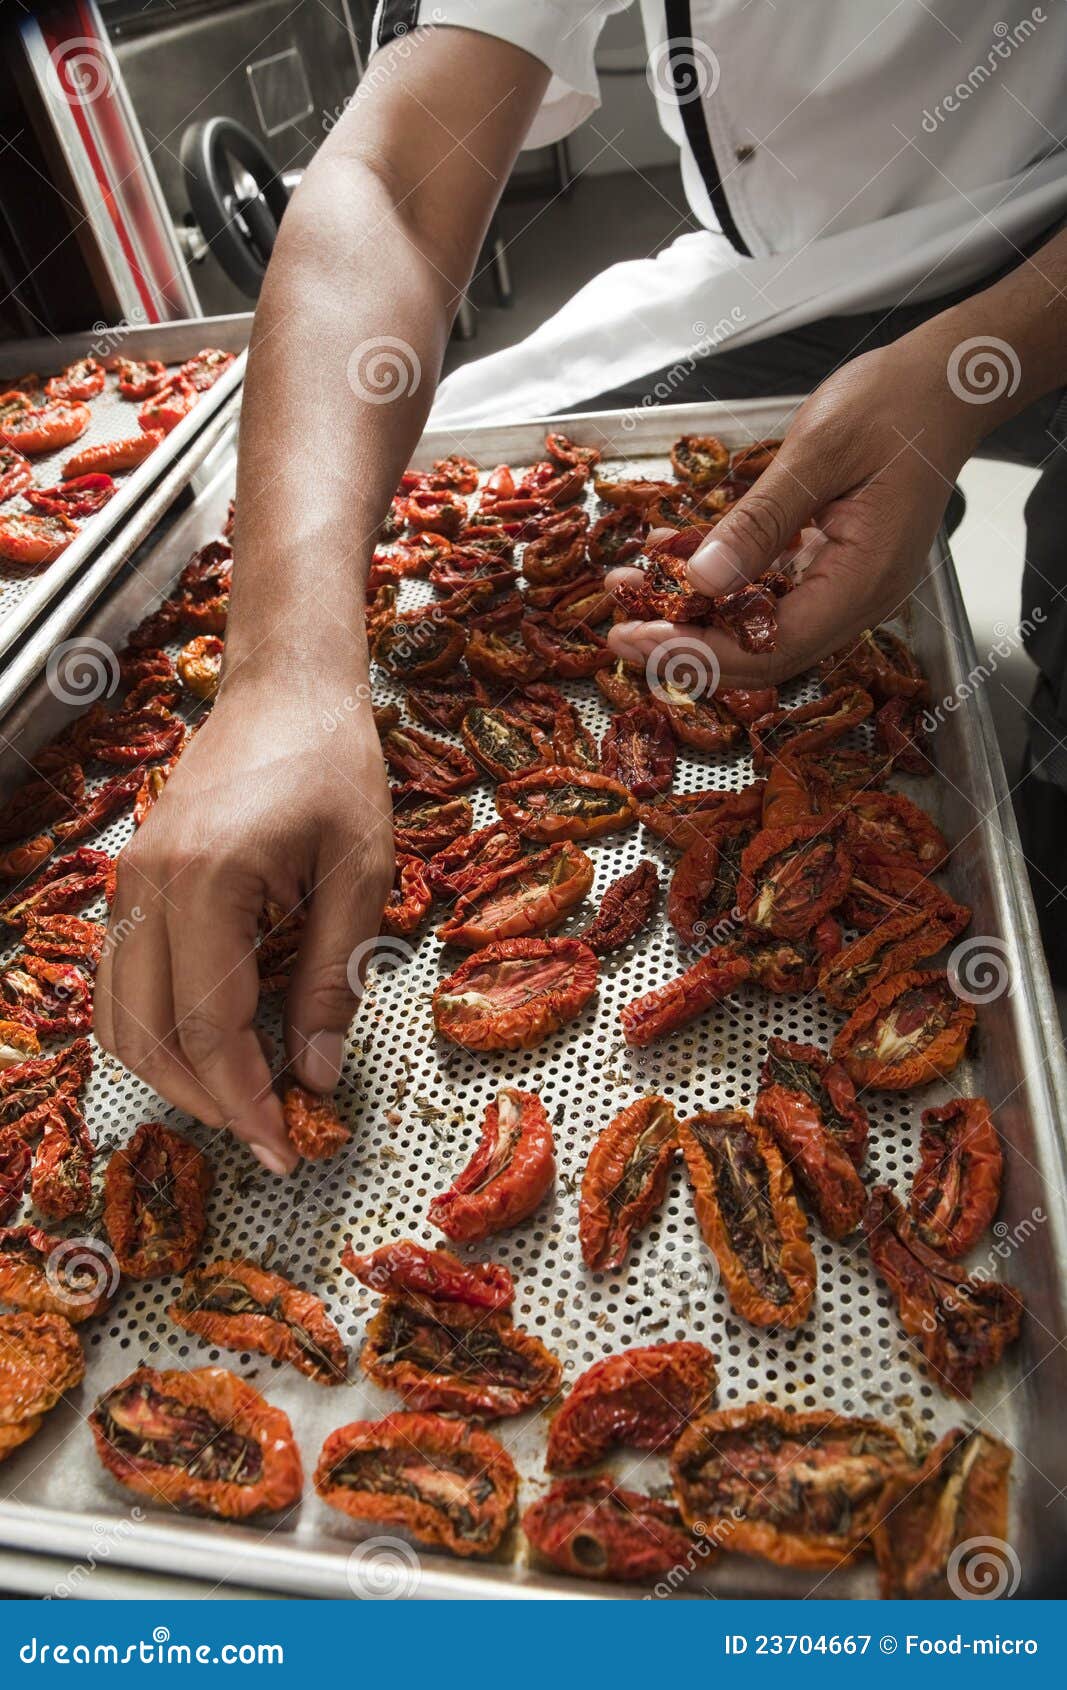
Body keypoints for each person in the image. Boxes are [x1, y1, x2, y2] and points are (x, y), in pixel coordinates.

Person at [96, 3, 1067, 1173]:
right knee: (432, 465)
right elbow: (398, 177)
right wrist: (283, 666)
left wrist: (966, 376)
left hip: (1043, 227)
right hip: (801, 261)